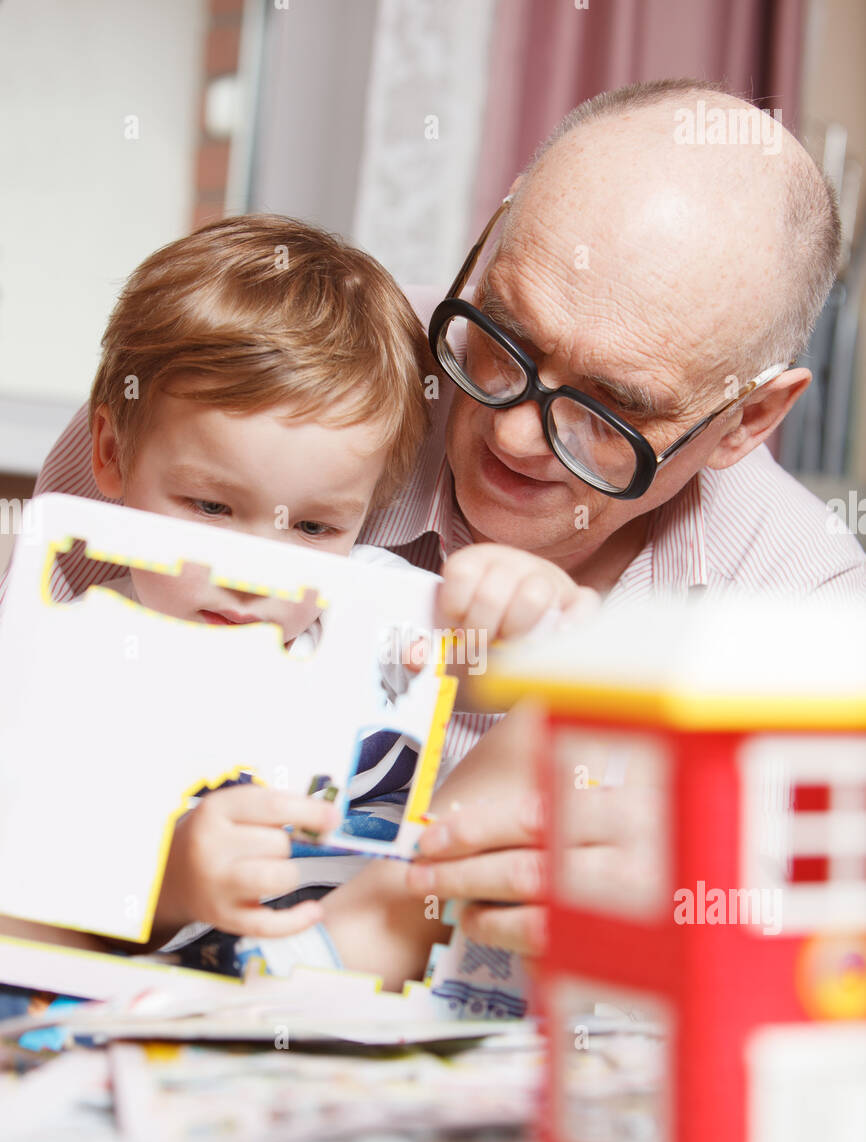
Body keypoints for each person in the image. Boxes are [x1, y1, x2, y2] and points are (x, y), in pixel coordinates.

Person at [7, 80, 866, 987]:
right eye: (505, 337)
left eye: (610, 408)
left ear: (747, 420)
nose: (512, 434)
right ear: (490, 240)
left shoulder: (810, 609)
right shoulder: (272, 379)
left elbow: (815, 968)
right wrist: (161, 870)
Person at [0, 212, 590, 980]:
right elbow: (45, 875)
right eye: (211, 509)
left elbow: (530, 679)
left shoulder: (377, 609)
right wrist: (169, 884)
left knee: (560, 720)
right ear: (110, 454)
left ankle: (331, 955)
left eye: (312, 526)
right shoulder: (72, 647)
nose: (256, 575)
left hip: (338, 952)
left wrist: (526, 608)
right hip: (143, 964)